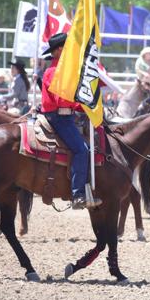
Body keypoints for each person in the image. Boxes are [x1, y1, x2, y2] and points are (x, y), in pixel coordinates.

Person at [40, 33, 97, 209]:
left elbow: (68, 101)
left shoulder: (60, 71)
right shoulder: (54, 72)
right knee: (82, 150)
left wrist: (87, 107)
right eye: (67, 47)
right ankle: (77, 193)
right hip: (59, 117)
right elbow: (61, 101)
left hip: (65, 115)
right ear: (59, 50)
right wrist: (80, 101)